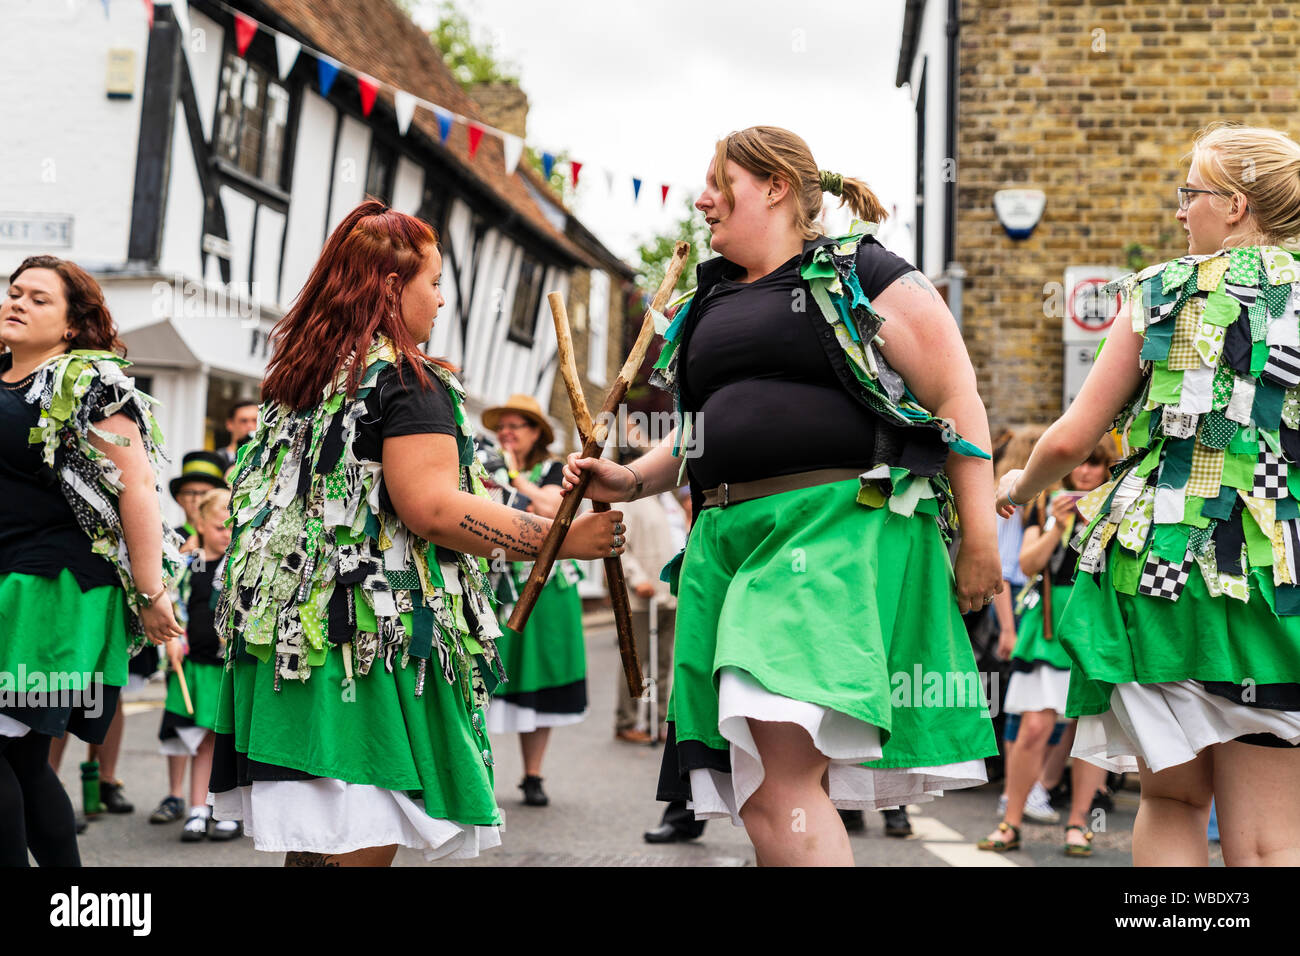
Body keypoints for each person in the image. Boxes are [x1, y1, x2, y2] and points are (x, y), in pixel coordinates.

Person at [565, 126, 1000, 866]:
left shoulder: (863, 270)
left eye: (717, 181)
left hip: (833, 531)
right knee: (763, 788)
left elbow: (955, 393)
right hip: (731, 543)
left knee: (782, 774)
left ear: (773, 186)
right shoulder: (708, 299)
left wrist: (982, 540)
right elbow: (705, 432)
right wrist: (634, 478)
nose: (702, 200)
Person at [206, 200, 624, 867]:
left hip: (289, 638)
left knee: (320, 838)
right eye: (433, 282)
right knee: (359, 830)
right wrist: (561, 540)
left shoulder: (303, 384)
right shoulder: (405, 378)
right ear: (391, 288)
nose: (441, 299)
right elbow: (431, 507)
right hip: (364, 637)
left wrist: (546, 513)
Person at [995, 124, 1300, 866]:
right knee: (1267, 842)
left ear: (1234, 205)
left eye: (1188, 192)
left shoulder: (1160, 291)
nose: (1178, 210)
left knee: (1171, 801)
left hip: (1161, 569)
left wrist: (1017, 484)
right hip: (1277, 578)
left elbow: (1072, 439)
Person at [0, 255, 183, 866]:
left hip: (50, 588)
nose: (18, 302)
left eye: (39, 299)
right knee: (23, 760)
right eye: (14, 291)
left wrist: (153, 593)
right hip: (8, 583)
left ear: (73, 325)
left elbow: (136, 486)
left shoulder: (88, 382)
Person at [980, 439, 1115, 856]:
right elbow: (1025, 565)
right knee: (1035, 726)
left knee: (1091, 728)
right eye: (1081, 463)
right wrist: (1059, 526)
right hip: (1051, 625)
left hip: (1096, 622)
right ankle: (1011, 821)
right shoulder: (1047, 504)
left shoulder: (1120, 505)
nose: (1087, 473)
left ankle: (1078, 824)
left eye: (1095, 464)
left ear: (1107, 467)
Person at [481, 395, 587, 807]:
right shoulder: (485, 468)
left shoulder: (554, 470)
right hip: (496, 586)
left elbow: (554, 508)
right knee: (486, 679)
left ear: (536, 433)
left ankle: (532, 774)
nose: (506, 433)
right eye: (502, 427)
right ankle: (478, 771)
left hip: (545, 589)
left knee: (537, 678)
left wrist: (515, 478)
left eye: (516, 426)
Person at [152, 488, 242, 842]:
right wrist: (172, 639)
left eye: (232, 527)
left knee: (226, 740)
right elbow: (173, 604)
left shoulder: (238, 563)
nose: (226, 534)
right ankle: (197, 809)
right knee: (201, 740)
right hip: (199, 666)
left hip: (230, 667)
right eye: (220, 527)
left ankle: (226, 810)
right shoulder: (191, 564)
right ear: (201, 525)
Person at [168, 451, 227, 543]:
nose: (197, 499)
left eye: (204, 493)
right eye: (189, 492)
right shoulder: (168, 541)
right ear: (179, 498)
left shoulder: (229, 541)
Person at [216, 400, 258, 471]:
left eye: (255, 420)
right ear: (229, 424)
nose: (250, 425)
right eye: (244, 421)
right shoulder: (218, 458)